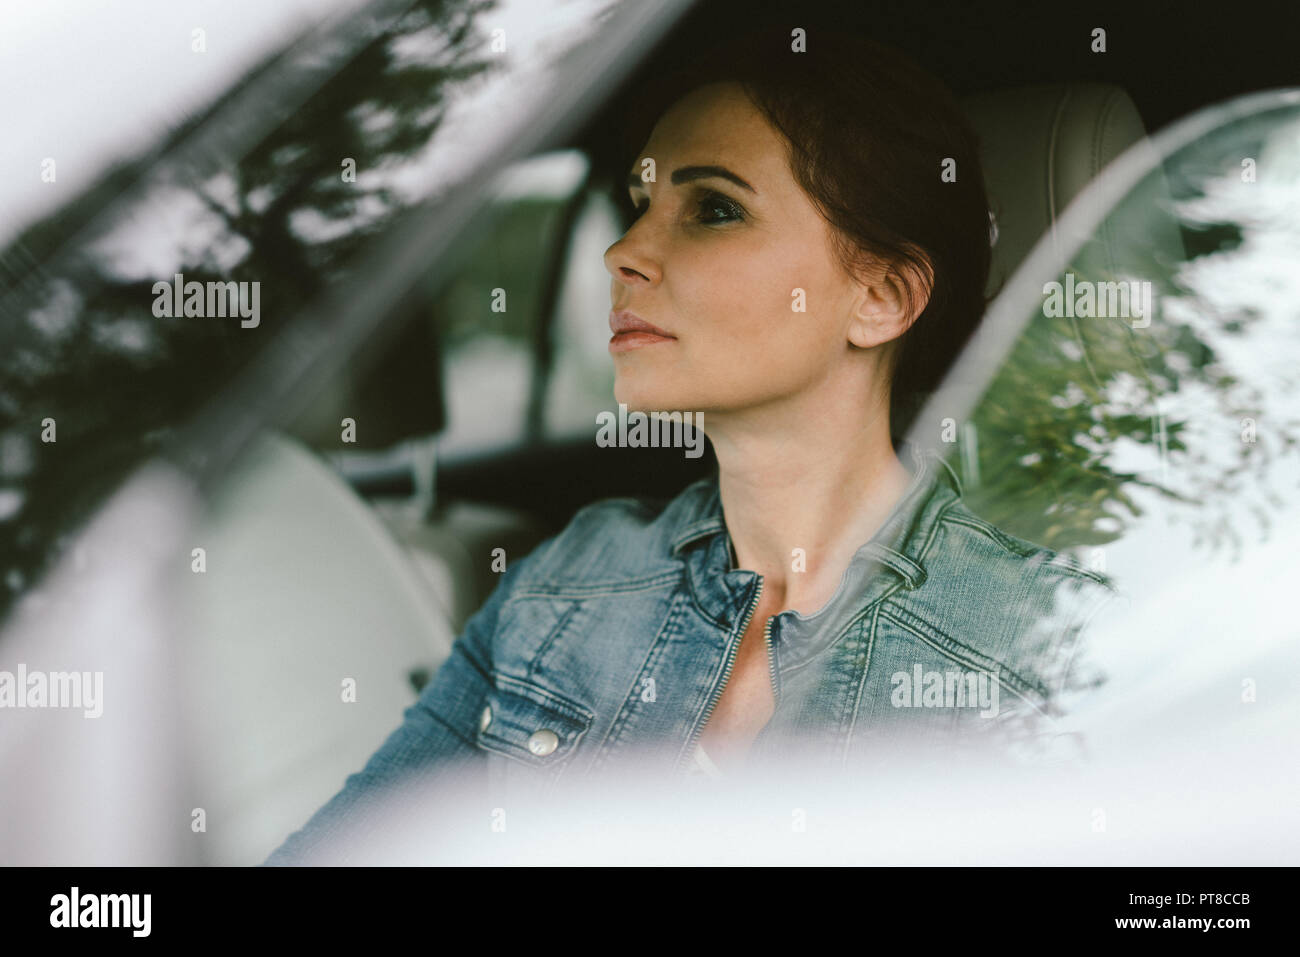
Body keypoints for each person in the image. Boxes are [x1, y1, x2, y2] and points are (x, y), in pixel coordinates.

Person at [264, 24, 1115, 865]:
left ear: (883, 298)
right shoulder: (564, 583)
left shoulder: (1051, 645)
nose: (623, 251)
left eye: (713, 209)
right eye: (641, 207)